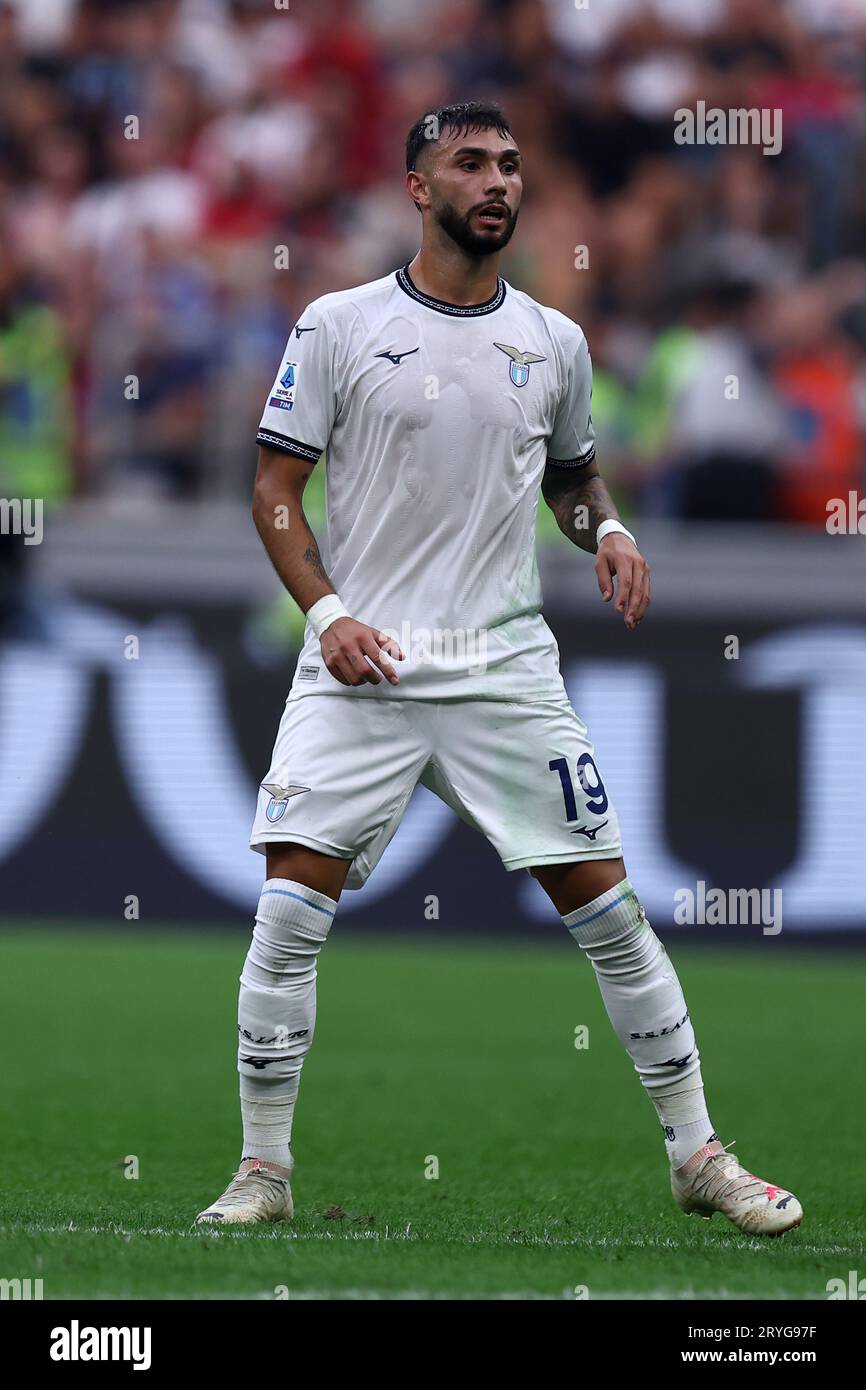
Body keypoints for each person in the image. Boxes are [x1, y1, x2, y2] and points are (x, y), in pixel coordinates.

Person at [195, 103, 802, 1236]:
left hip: (502, 668)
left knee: (611, 915)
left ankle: (698, 1154)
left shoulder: (553, 343)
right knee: (285, 915)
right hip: (362, 662)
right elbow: (274, 490)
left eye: (511, 165)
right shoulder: (337, 324)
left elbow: (571, 482)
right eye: (469, 164)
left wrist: (607, 530)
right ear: (417, 188)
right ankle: (262, 1172)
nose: (497, 183)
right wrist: (324, 612)